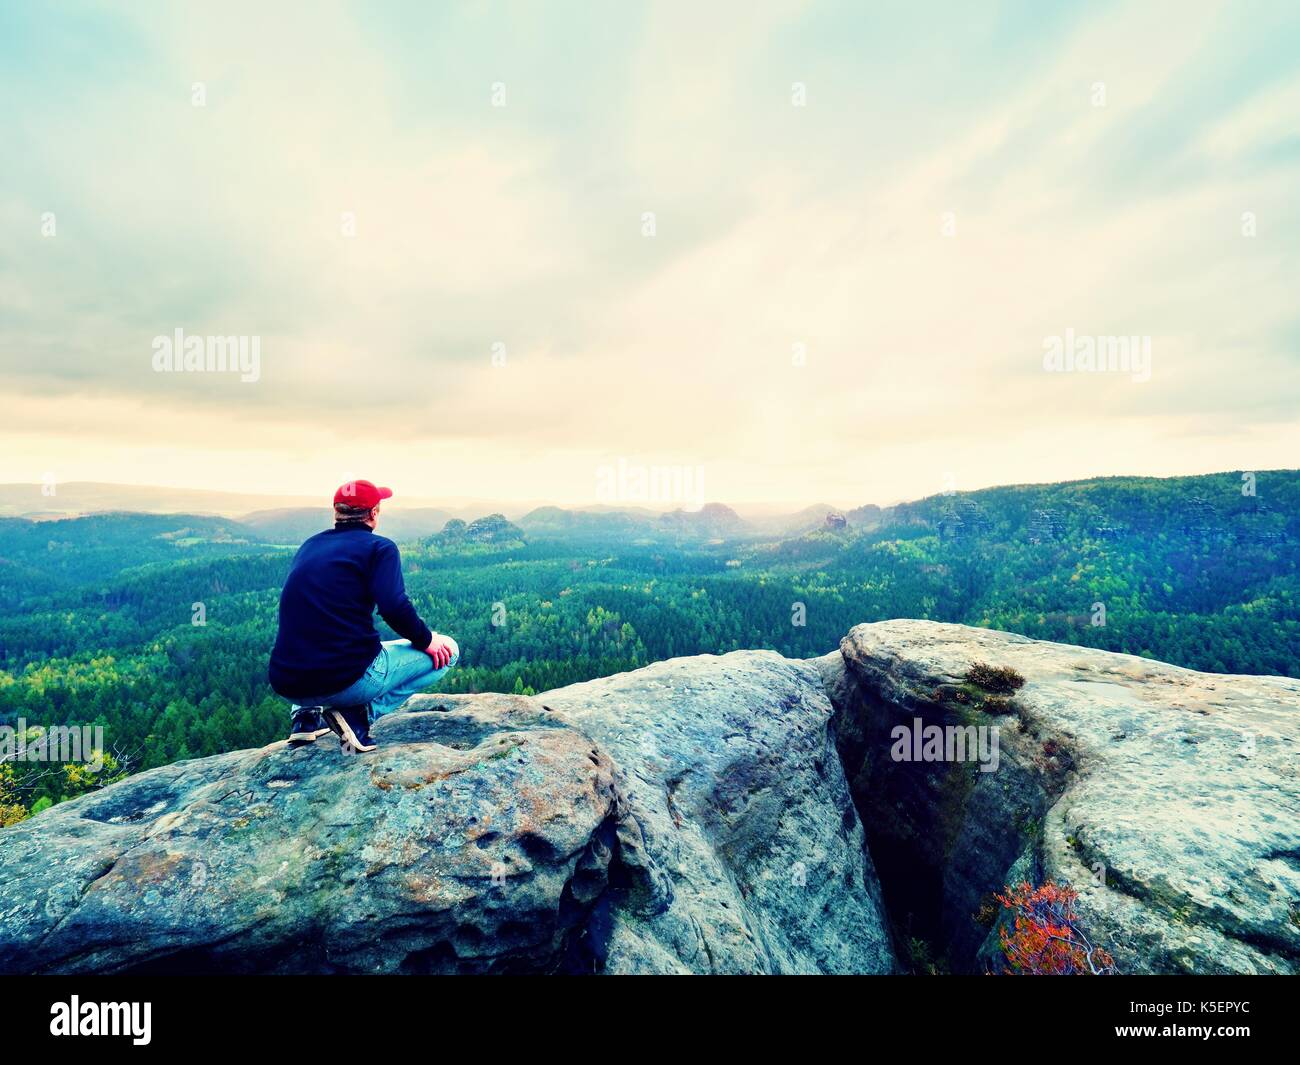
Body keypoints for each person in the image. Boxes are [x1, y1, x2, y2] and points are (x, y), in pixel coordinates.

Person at [268, 479, 459, 752]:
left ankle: (305, 719)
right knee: (449, 650)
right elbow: (394, 607)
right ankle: (359, 716)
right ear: (373, 514)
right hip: (346, 679)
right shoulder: (380, 548)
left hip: (288, 681)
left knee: (316, 634)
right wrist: (428, 640)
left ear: (337, 512)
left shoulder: (310, 545)